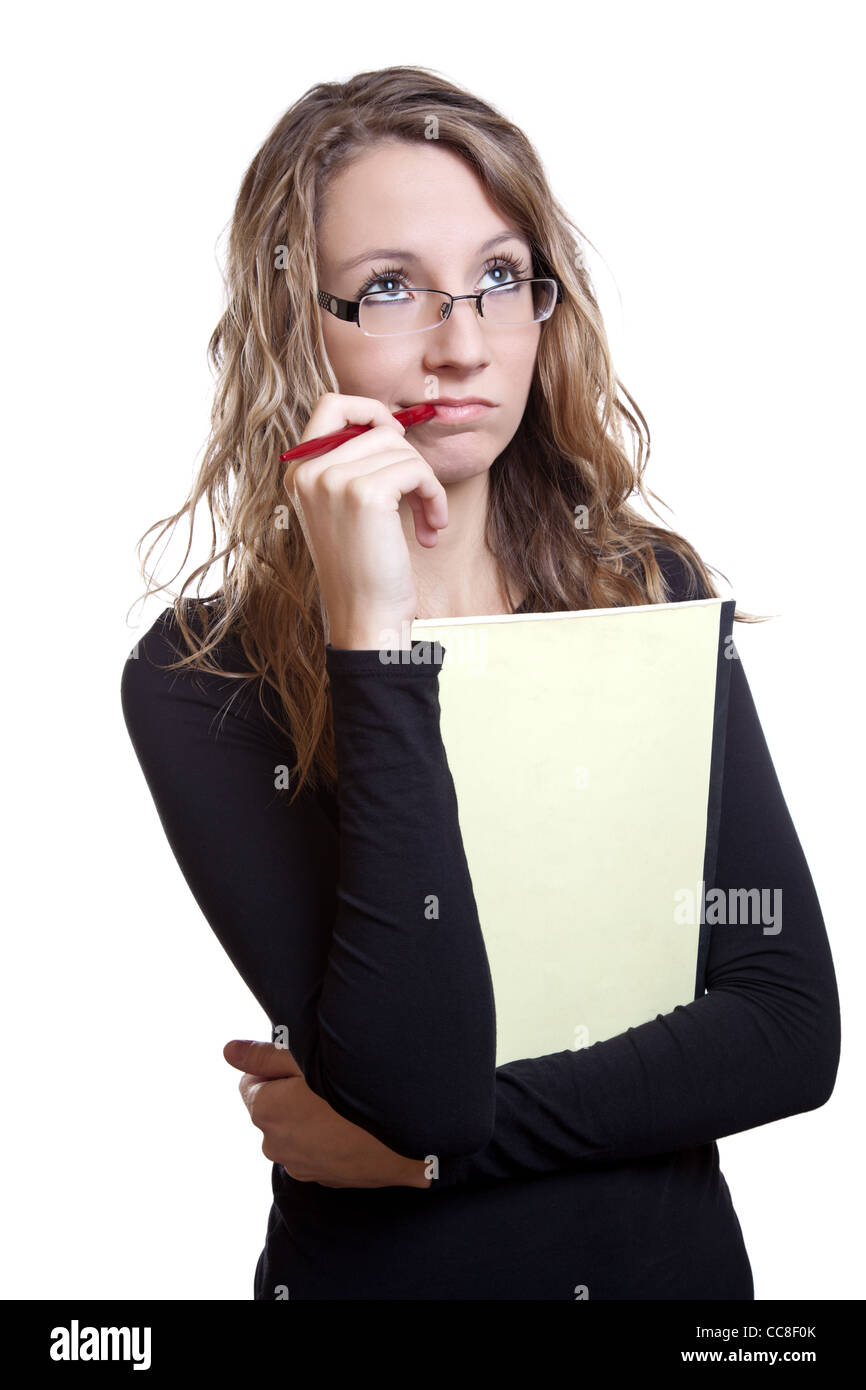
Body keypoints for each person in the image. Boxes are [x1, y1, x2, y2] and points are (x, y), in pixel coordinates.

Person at [120, 66, 840, 1300]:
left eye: (498, 278)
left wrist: (423, 1161)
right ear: (298, 321)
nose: (460, 345)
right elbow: (417, 1080)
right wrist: (373, 641)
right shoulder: (205, 676)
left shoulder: (645, 591)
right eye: (391, 287)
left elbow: (783, 1028)